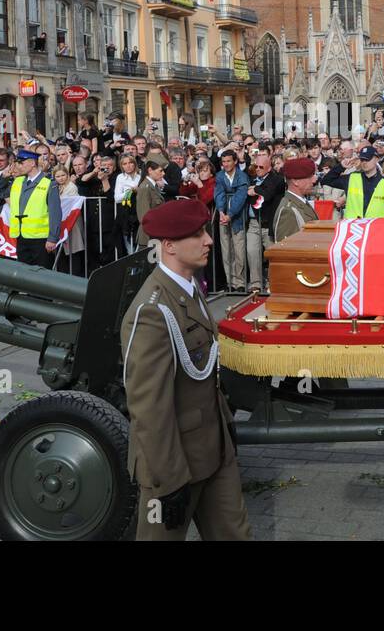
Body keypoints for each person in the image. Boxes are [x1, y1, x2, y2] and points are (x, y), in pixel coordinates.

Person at [120, 198, 251, 541]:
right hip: (175, 463)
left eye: (206, 231)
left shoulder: (188, 291)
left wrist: (225, 426)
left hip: (214, 449)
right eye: (197, 234)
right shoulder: (152, 311)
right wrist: (169, 480)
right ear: (169, 246)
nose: (208, 240)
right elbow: (149, 408)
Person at [0, 148, 61, 268]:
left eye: (21, 162)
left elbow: (55, 213)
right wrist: (4, 178)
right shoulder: (18, 181)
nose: (18, 166)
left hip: (41, 238)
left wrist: (53, 238)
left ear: (32, 163)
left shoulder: (49, 183)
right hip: (21, 236)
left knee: (42, 275)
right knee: (24, 276)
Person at [320, 145, 384, 218]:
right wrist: (341, 166)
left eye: (367, 159)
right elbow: (326, 181)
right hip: (353, 228)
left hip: (376, 230)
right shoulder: (351, 178)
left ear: (376, 159)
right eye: (362, 159)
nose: (364, 162)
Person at [244, 153, 284, 293]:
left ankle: (273, 282)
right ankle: (255, 282)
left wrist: (255, 190)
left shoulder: (277, 179)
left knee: (272, 255)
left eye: (261, 167)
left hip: (269, 224)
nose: (258, 169)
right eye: (256, 166)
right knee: (252, 252)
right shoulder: (252, 178)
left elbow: (269, 193)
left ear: (268, 168)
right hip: (254, 223)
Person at [213, 150, 250, 292]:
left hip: (238, 217)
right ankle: (230, 282)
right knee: (226, 250)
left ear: (235, 161)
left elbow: (240, 197)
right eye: (224, 162)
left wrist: (231, 214)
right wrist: (221, 212)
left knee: (239, 250)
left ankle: (240, 282)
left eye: (229, 161)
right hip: (223, 216)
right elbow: (219, 193)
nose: (226, 164)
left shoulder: (242, 176)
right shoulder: (220, 176)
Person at [273, 158, 318, 242]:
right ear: (295, 181)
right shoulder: (288, 210)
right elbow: (286, 249)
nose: (314, 180)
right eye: (310, 176)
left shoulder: (300, 202)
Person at [133, 159, 167, 251]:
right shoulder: (145, 187)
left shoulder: (153, 186)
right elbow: (144, 217)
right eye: (160, 171)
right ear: (150, 170)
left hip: (155, 234)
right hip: (149, 236)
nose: (163, 173)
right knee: (144, 263)